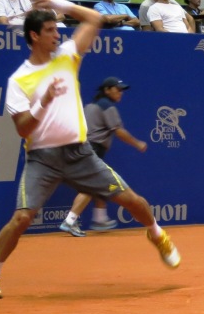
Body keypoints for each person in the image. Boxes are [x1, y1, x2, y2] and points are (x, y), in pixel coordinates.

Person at [0, 0, 180, 299]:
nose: (58, 33)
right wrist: (44, 102)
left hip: (80, 153)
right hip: (42, 160)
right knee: (21, 218)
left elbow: (94, 19)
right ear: (34, 36)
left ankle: (156, 233)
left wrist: (55, 3)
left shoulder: (68, 55)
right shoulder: (19, 80)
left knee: (133, 200)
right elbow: (23, 129)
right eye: (50, 29)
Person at [58, 77, 149, 236]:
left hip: (80, 148)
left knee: (100, 183)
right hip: (93, 149)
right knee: (91, 185)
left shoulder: (89, 106)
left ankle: (100, 219)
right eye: (117, 89)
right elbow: (119, 131)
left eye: (122, 90)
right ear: (107, 90)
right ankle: (70, 221)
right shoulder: (108, 107)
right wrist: (137, 143)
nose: (120, 93)